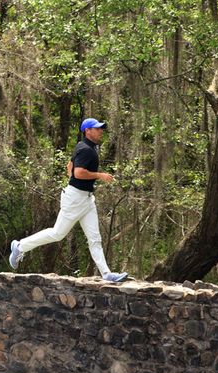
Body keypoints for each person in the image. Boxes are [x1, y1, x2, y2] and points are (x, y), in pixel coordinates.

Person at [9, 117, 128, 282]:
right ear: (88, 131)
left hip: (86, 199)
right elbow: (78, 172)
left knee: (95, 238)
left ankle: (107, 274)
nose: (101, 131)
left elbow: (69, 167)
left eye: (101, 128)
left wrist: (74, 182)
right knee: (57, 234)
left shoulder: (86, 147)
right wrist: (99, 175)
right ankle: (20, 246)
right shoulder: (86, 149)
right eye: (97, 128)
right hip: (75, 199)